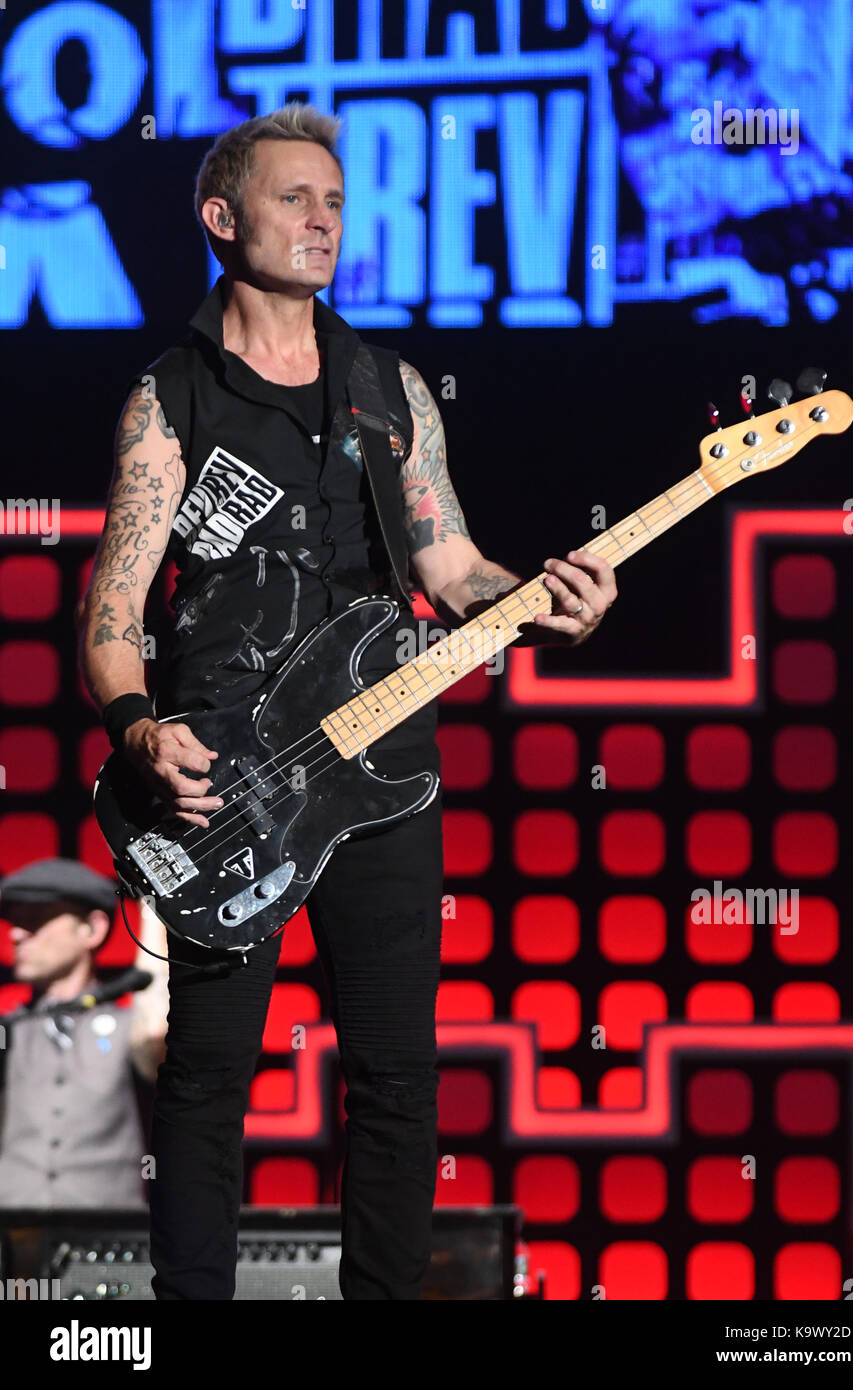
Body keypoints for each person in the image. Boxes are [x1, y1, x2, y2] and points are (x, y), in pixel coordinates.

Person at [76, 103, 617, 1299]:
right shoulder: (171, 398)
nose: (322, 221)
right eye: (293, 199)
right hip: (223, 779)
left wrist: (543, 595)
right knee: (211, 1074)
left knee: (396, 1075)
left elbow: (449, 567)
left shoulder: (388, 387)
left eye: (334, 200)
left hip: (380, 765)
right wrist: (138, 727)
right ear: (222, 219)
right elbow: (113, 606)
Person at [0, 858, 168, 1208]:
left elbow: (154, 1037)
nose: (16, 934)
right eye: (14, 921)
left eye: (37, 918)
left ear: (92, 929)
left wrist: (152, 909)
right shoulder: (9, 1030)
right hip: (13, 1238)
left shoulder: (127, 1027)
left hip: (105, 1235)